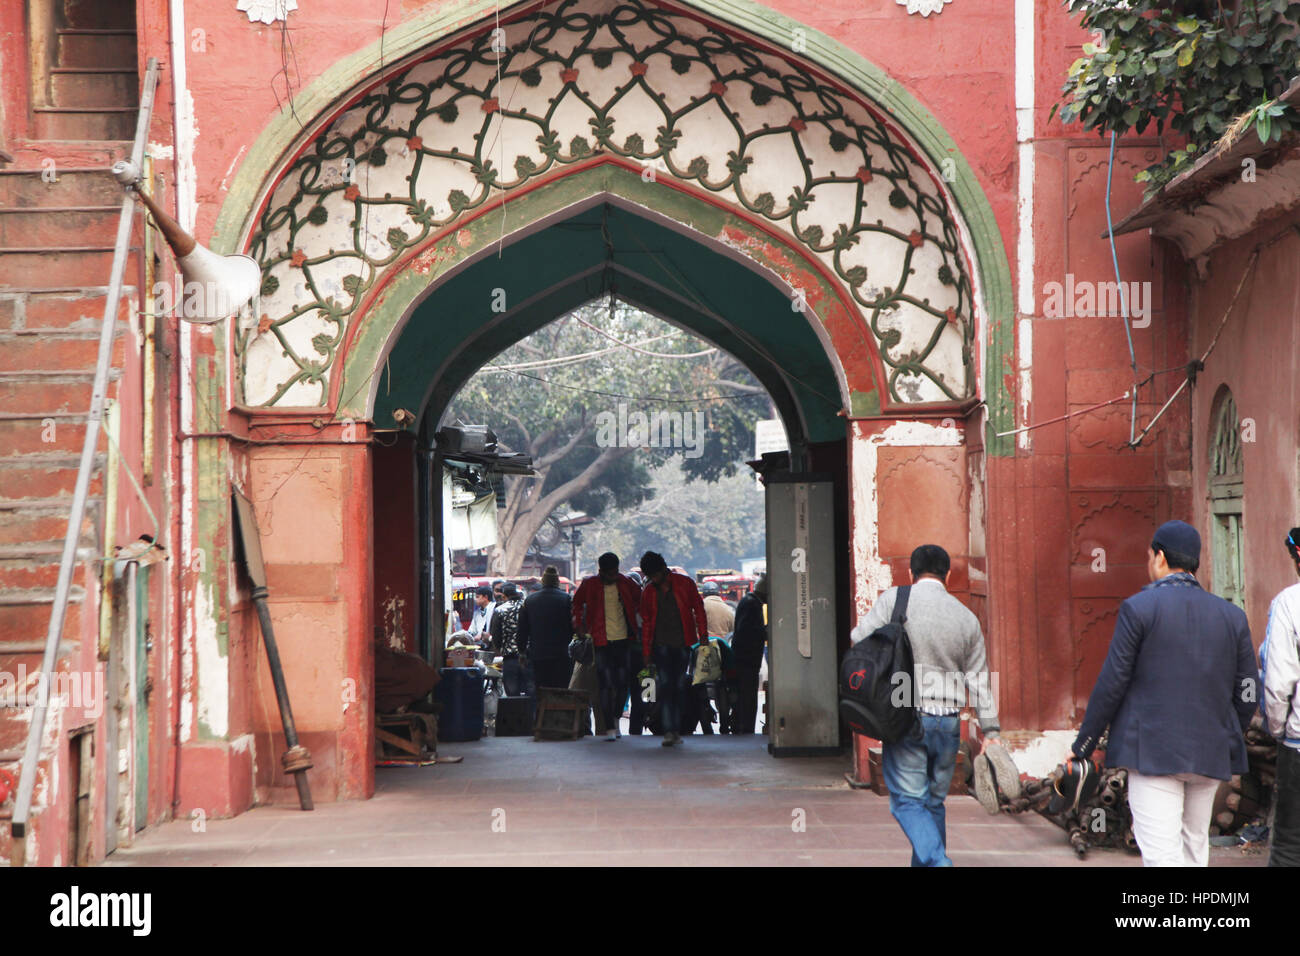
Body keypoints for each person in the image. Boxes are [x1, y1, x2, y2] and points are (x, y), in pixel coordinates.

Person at [1072, 520, 1257, 867]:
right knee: (1193, 848)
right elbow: (1248, 689)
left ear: (1159, 557)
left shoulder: (1138, 609)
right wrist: (1229, 728)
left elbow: (1113, 681)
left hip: (1153, 752)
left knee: (1161, 855)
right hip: (1209, 750)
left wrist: (1084, 744)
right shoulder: (1232, 616)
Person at [854, 544, 1000, 867]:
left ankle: (938, 862)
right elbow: (979, 681)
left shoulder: (894, 600)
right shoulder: (967, 618)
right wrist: (991, 730)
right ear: (948, 575)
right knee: (933, 803)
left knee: (907, 802)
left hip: (905, 716)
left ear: (911, 573)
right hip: (947, 723)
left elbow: (858, 638)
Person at [638, 551, 708, 747]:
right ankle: (670, 730)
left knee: (677, 686)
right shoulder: (649, 591)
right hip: (660, 646)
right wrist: (646, 652)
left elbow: (699, 608)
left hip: (683, 644)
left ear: (662, 569)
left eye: (654, 575)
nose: (653, 580)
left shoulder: (685, 584)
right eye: (649, 577)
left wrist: (703, 635)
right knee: (667, 687)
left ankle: (675, 729)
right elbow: (646, 623)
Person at [572, 552, 642, 741]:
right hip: (600, 642)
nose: (613, 576)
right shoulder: (590, 584)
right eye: (609, 573)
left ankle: (616, 718)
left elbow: (642, 599)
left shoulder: (626, 582)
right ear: (601, 571)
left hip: (624, 641)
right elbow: (576, 603)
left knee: (622, 684)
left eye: (615, 572)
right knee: (604, 685)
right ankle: (610, 727)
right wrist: (578, 625)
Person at [1262, 527, 1300, 866]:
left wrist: (1277, 729)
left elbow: (1278, 681)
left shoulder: (1289, 602)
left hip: (1299, 744)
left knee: (1290, 844)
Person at [518, 566, 574, 691]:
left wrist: (522, 652)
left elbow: (522, 630)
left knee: (541, 690)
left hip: (538, 655)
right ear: (557, 582)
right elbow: (573, 627)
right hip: (561, 655)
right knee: (561, 690)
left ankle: (542, 711)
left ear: (543, 581)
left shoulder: (529, 601)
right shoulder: (566, 599)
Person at [731, 574, 768, 734]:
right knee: (747, 696)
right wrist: (764, 632)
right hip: (747, 659)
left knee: (745, 695)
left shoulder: (748, 601)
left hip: (744, 658)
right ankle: (745, 728)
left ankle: (743, 726)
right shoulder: (752, 604)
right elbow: (746, 630)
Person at [488, 583, 531, 697]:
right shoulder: (527, 607)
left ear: (504, 596)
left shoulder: (500, 610)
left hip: (510, 659)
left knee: (512, 695)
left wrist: (501, 649)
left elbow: (496, 636)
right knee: (531, 694)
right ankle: (531, 715)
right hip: (529, 658)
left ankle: (516, 715)